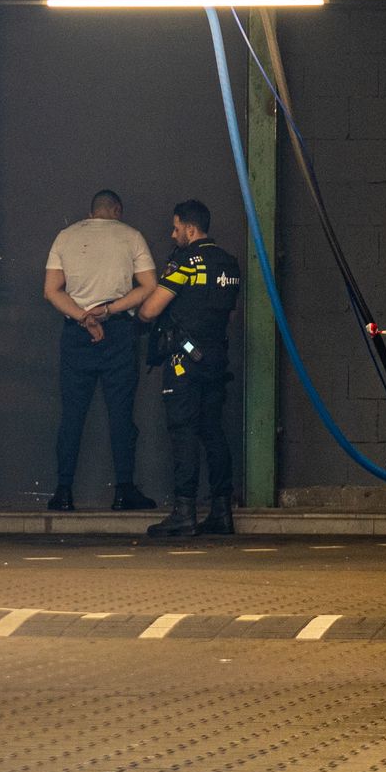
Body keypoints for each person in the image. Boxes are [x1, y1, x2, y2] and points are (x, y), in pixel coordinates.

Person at [43, 190, 159, 512]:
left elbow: (51, 290)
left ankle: (63, 492)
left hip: (76, 334)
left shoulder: (66, 237)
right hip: (119, 332)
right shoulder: (131, 236)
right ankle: (124, 490)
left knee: (72, 415)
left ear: (91, 211)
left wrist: (84, 317)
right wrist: (108, 311)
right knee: (121, 414)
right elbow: (148, 285)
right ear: (117, 210)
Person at [138, 199, 242, 538]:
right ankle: (222, 512)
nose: (173, 233)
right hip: (216, 359)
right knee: (213, 432)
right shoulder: (228, 264)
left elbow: (152, 309)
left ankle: (184, 513)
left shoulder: (185, 261)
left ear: (190, 228)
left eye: (176, 227)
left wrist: (140, 317)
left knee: (183, 431)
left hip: (185, 361)